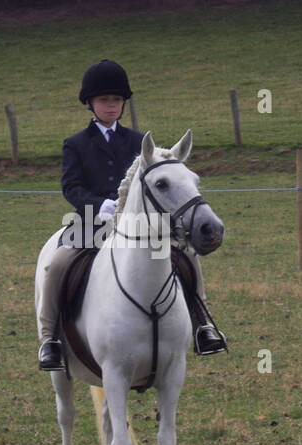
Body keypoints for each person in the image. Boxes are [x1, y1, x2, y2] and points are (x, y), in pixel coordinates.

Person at [37, 58, 227, 371]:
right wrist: (101, 205)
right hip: (91, 223)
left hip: (140, 225)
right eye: (103, 100)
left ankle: (202, 325)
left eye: (116, 100)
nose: (110, 106)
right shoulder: (75, 144)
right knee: (57, 265)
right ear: (90, 103)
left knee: (187, 257)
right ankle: (50, 340)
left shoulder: (140, 142)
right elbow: (71, 187)